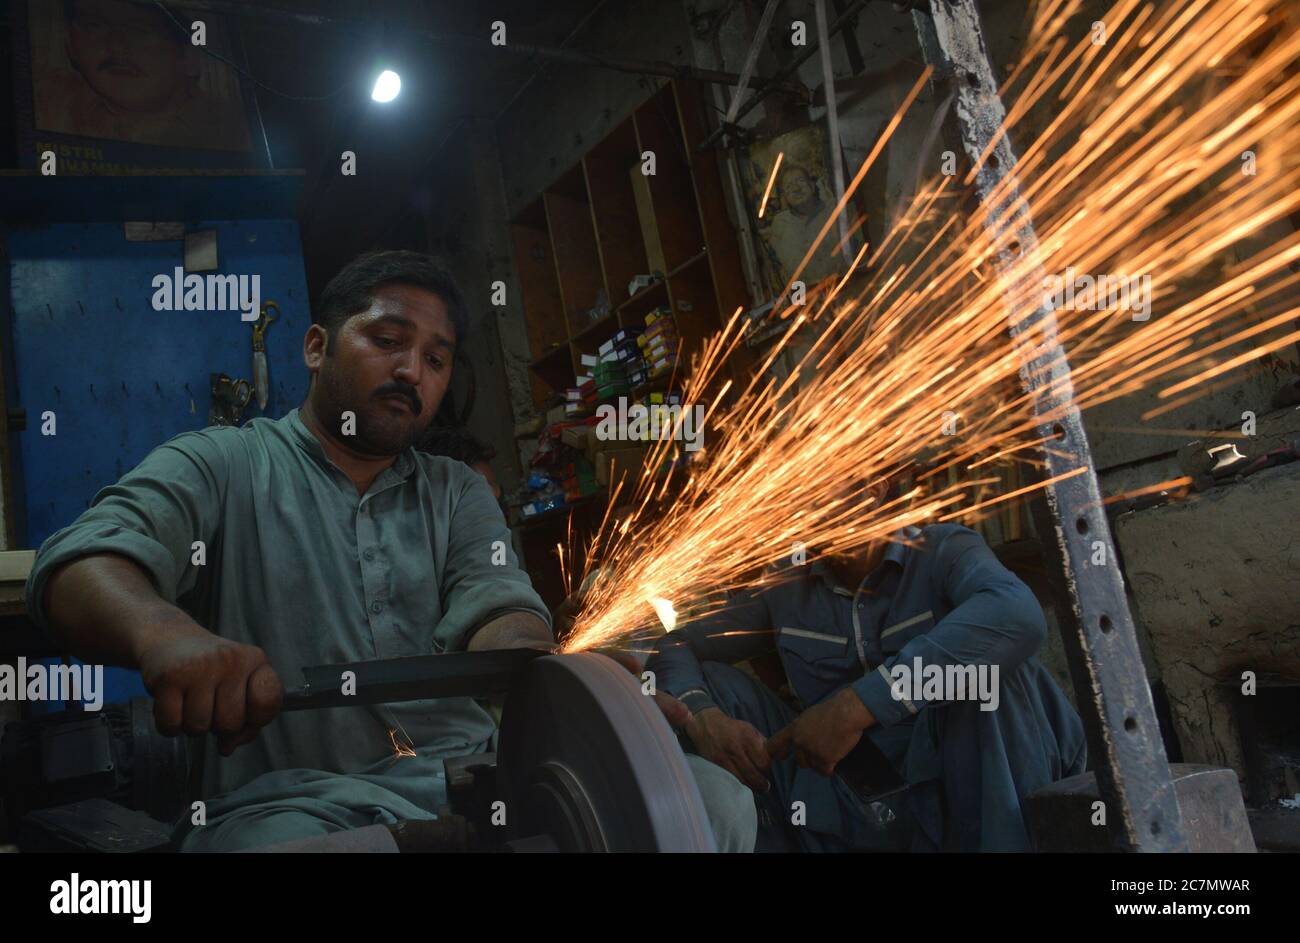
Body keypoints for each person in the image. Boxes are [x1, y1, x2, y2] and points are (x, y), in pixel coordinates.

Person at [27, 250, 554, 851]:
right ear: (314, 348)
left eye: (436, 360)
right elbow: (79, 562)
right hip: (287, 810)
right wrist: (165, 634)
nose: (412, 371)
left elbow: (497, 607)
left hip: (465, 781)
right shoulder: (222, 463)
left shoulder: (456, 489)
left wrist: (554, 669)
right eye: (387, 339)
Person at [645, 473, 1088, 852]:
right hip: (850, 797)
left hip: (956, 785)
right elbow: (676, 643)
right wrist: (701, 713)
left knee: (990, 676)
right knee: (719, 684)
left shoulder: (944, 551)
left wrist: (857, 706)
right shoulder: (786, 586)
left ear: (876, 486)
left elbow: (1018, 616)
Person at [36, 0, 249, 150]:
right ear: (71, 46)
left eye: (139, 29)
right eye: (94, 25)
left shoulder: (233, 135)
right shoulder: (48, 100)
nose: (116, 46)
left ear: (189, 58)